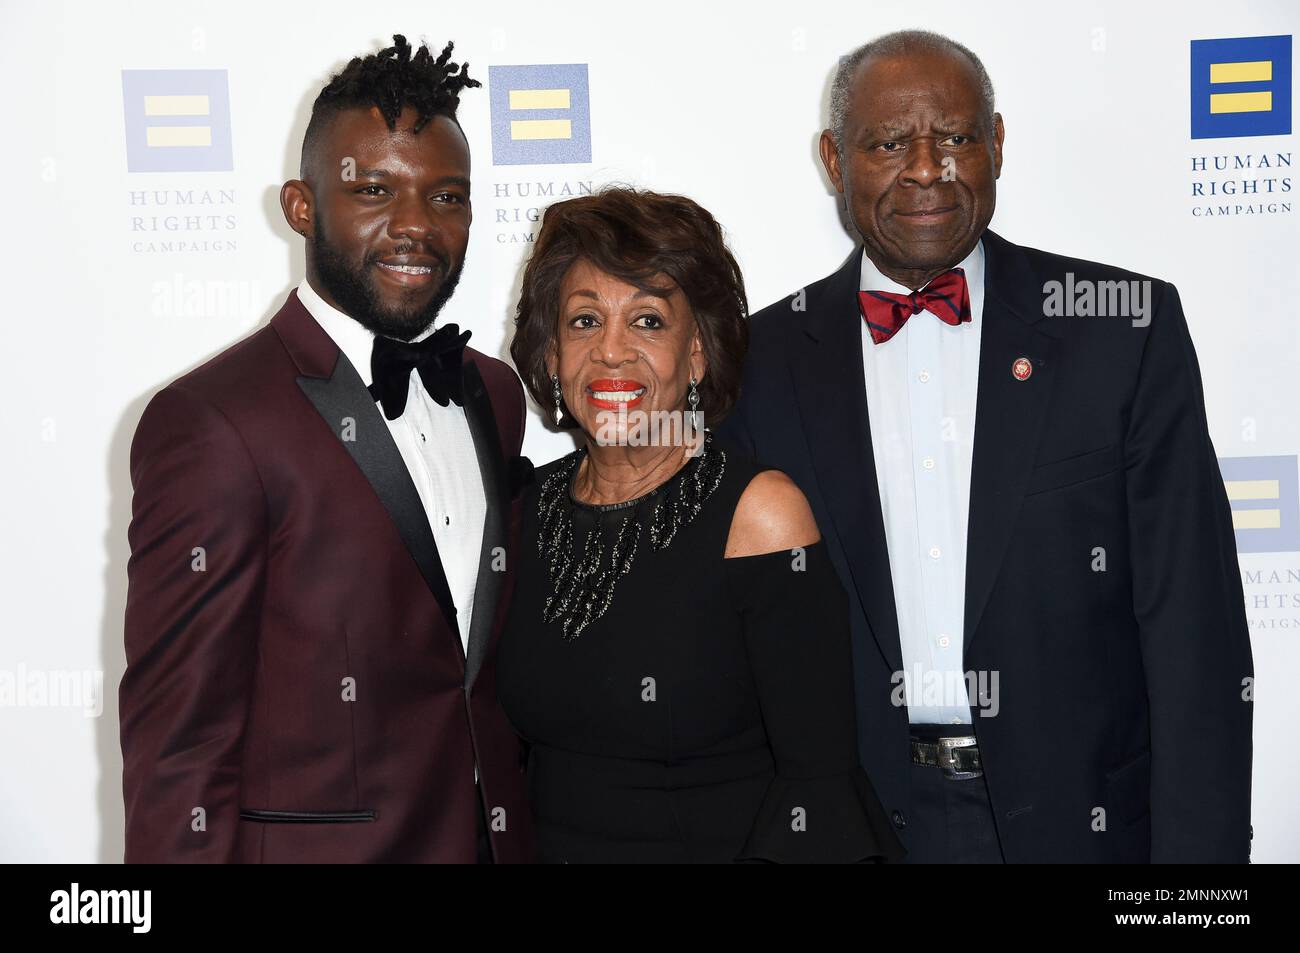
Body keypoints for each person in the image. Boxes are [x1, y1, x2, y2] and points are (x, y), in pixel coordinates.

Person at [719, 29, 1254, 863]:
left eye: (958, 137)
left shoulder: (1121, 330)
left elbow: (1197, 641)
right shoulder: (759, 360)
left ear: (997, 145)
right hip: (853, 827)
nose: (927, 168)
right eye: (889, 142)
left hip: (1083, 825)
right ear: (834, 159)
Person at [120, 36, 533, 863]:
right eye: (374, 190)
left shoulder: (493, 391)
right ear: (303, 206)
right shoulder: (212, 422)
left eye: (446, 196)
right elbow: (179, 752)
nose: (417, 225)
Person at [499, 186, 904, 863]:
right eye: (584, 321)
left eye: (649, 321)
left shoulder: (760, 514)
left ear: (697, 354)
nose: (612, 352)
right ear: (549, 354)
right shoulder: (525, 511)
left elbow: (817, 783)